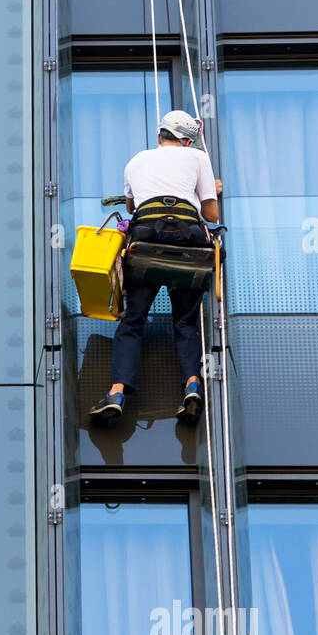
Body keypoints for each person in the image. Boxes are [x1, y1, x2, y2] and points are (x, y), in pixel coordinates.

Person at [90, 110, 221, 425]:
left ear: (161, 134)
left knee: (132, 322)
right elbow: (212, 215)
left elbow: (133, 207)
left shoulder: (136, 160)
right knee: (185, 324)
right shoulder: (197, 158)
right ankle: (192, 385)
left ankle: (117, 392)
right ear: (187, 140)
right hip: (187, 248)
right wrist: (214, 191)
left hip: (145, 246)